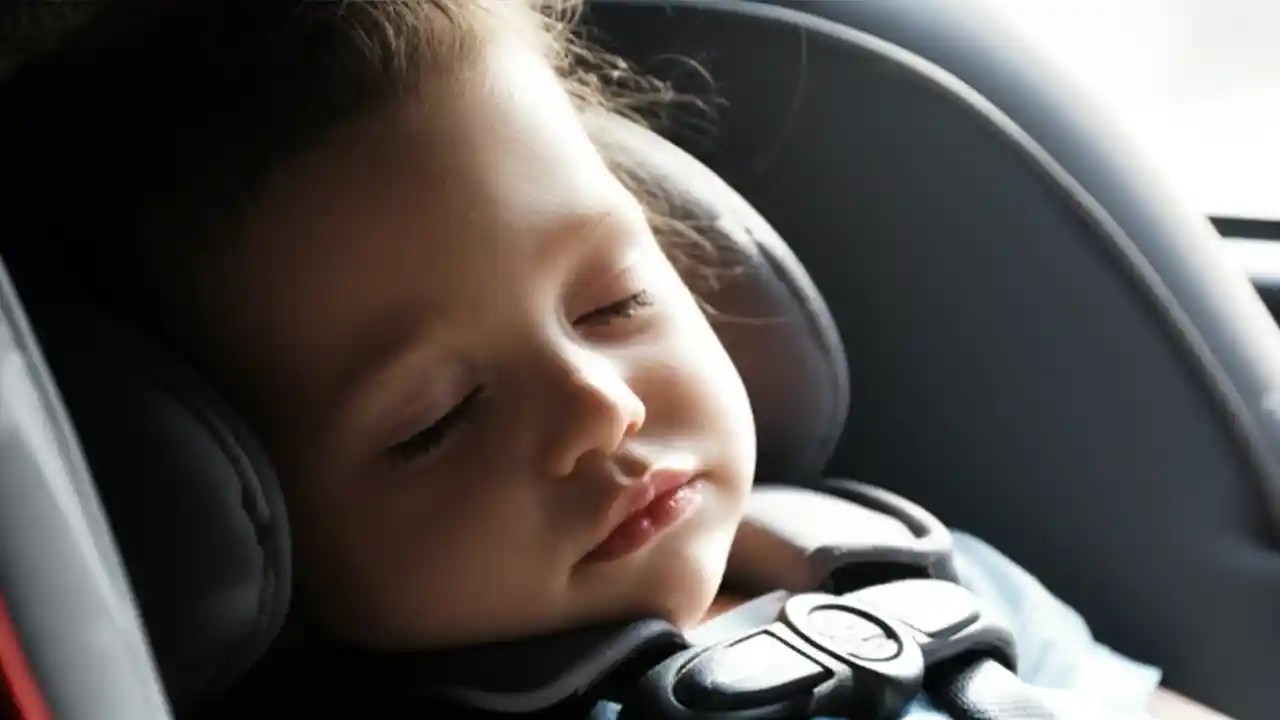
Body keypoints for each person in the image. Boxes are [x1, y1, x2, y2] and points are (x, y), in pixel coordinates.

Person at [0, 2, 1228, 717]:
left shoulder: (911, 563)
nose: (598, 404)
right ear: (239, 507)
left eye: (612, 303)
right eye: (436, 417)